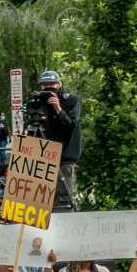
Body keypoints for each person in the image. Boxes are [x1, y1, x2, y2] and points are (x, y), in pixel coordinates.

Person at [34, 70, 82, 212]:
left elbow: (71, 125)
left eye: (51, 84)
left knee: (63, 200)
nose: (48, 88)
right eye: (44, 85)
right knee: (42, 199)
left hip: (64, 159)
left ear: (59, 84)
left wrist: (58, 108)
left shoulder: (72, 100)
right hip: (44, 159)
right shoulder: (40, 102)